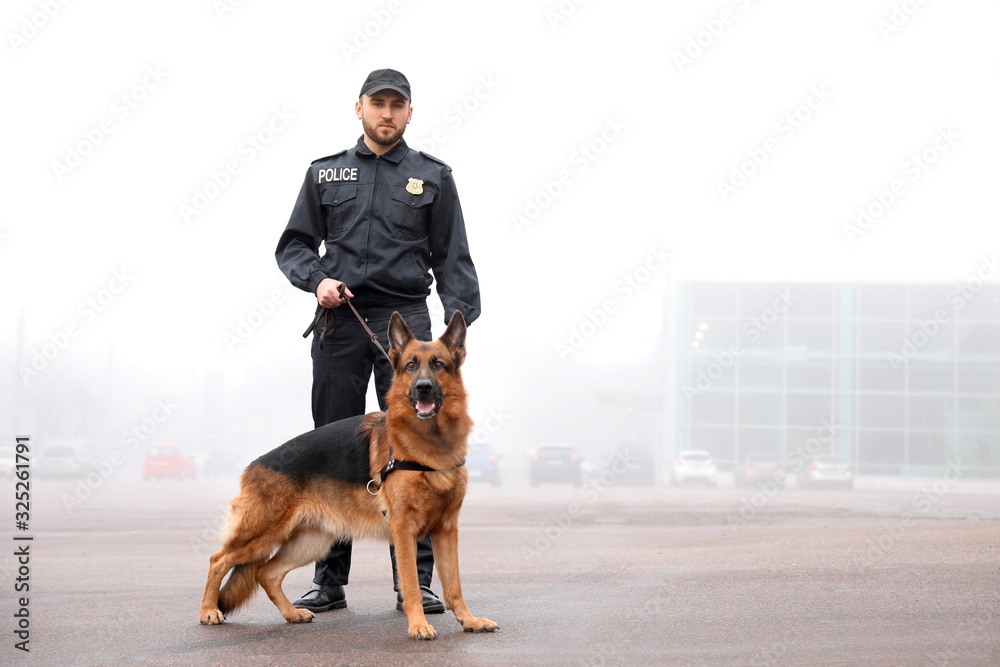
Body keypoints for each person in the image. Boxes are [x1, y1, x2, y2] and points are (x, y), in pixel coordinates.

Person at [274, 68, 481, 615]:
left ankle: (415, 583)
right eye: (377, 103)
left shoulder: (433, 176)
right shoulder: (325, 174)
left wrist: (455, 329)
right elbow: (294, 245)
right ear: (359, 108)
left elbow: (452, 256)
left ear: (410, 113)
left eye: (397, 105)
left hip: (408, 322)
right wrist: (316, 280)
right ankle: (329, 581)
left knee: (421, 447)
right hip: (340, 319)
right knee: (336, 445)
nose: (386, 113)